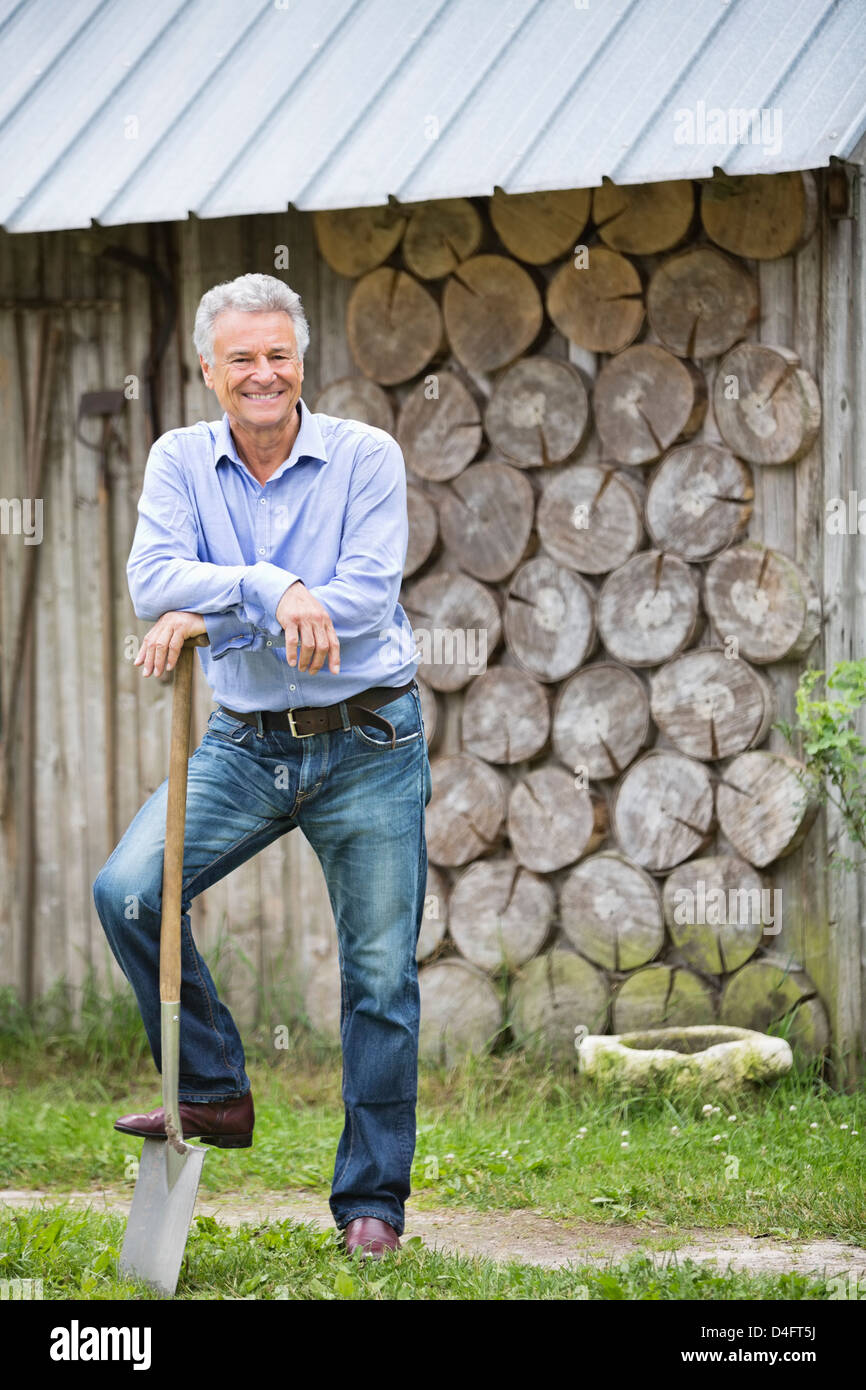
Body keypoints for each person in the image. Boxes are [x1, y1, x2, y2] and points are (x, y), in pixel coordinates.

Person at [93, 272, 431, 1260]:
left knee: (378, 981)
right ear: (209, 370)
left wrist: (214, 610)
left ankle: (370, 1203)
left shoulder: (365, 457)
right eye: (240, 357)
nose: (261, 373)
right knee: (127, 891)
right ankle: (211, 1087)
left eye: (276, 354)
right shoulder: (180, 461)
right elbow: (150, 579)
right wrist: (269, 583)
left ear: (301, 361)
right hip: (244, 742)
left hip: (369, 740)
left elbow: (360, 604)